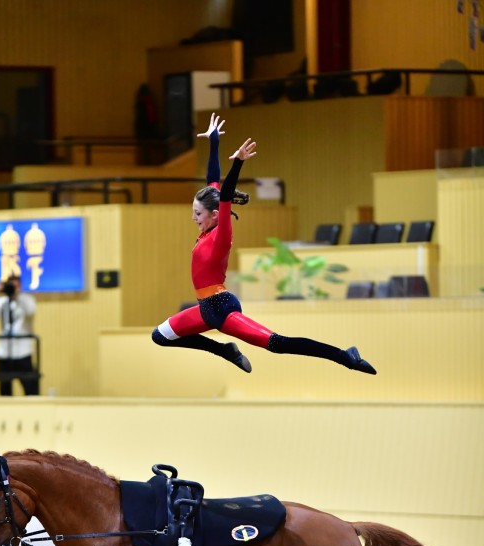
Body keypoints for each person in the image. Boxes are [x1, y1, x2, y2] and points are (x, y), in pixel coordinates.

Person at [152, 113, 376, 376]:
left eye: (197, 214)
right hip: (204, 309)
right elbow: (213, 180)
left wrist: (238, 164)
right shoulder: (208, 221)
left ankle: (344, 356)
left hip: (220, 307)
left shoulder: (221, 232)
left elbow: (224, 195)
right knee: (161, 336)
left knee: (277, 344)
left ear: (214, 214)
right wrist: (213, 142)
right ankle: (226, 350)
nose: (193, 218)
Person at [0, 274, 39, 396]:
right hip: (4, 352)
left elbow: (30, 310)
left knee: (30, 388)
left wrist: (18, 295)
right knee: (4, 390)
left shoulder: (26, 300)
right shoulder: (1, 302)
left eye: (15, 285)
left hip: (23, 352)